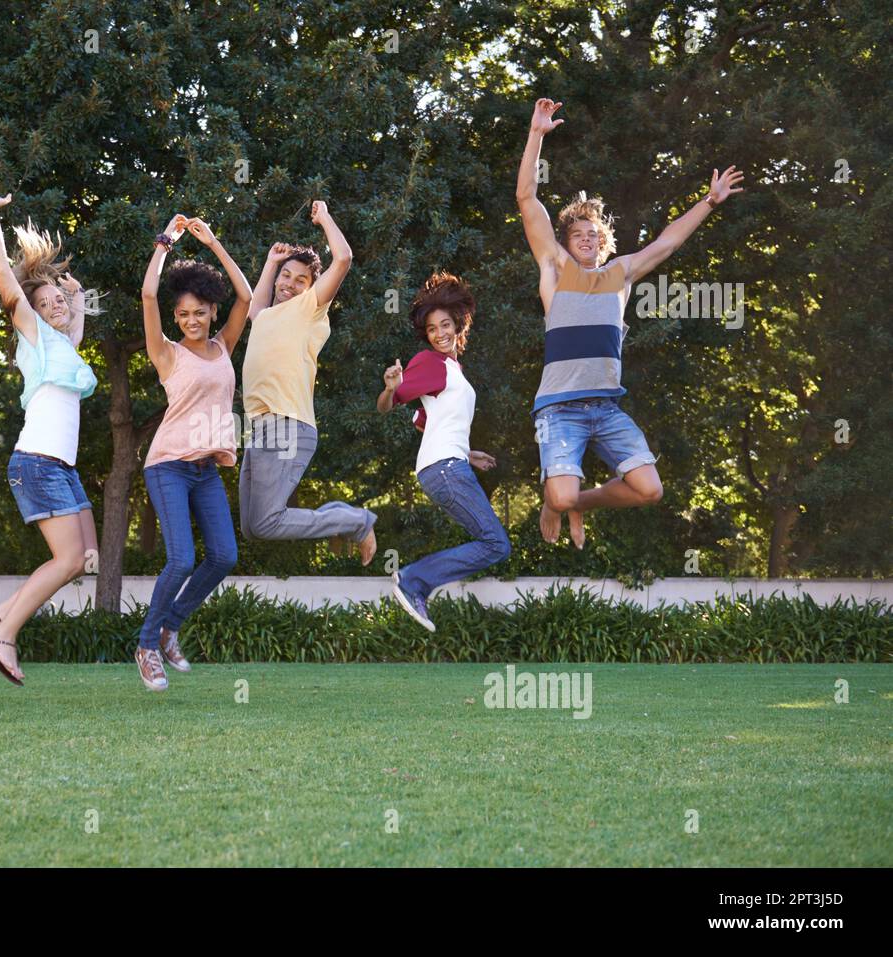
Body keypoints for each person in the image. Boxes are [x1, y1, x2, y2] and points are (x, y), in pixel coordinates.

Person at [517, 97, 744, 548]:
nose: (585, 239)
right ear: (565, 242)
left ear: (603, 244)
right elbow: (527, 197)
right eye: (577, 234)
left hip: (606, 407)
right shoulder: (555, 267)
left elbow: (667, 242)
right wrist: (537, 135)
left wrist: (708, 203)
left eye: (593, 235)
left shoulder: (620, 273)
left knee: (649, 489)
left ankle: (581, 501)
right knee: (556, 497)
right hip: (559, 409)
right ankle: (561, 501)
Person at [0, 180, 100, 685]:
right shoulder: (33, 337)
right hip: (38, 462)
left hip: (61, 468)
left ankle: (4, 610)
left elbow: (73, 331)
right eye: (43, 301)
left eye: (57, 301)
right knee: (68, 558)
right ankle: (3, 634)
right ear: (31, 309)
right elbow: (4, 272)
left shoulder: (63, 346)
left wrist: (75, 299)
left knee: (86, 558)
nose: (54, 306)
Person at [134, 214, 253, 690]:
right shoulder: (167, 353)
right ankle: (146, 646)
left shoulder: (224, 345)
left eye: (198, 312)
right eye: (182, 314)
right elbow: (147, 295)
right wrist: (166, 241)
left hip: (205, 469)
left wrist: (213, 241)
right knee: (181, 559)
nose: (190, 320)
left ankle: (169, 627)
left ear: (210, 311)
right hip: (168, 466)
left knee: (223, 556)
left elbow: (245, 296)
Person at [239, 201, 377, 563]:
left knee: (267, 522)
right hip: (260, 428)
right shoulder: (267, 315)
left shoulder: (310, 309)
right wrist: (271, 264)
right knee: (252, 528)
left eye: (301, 280)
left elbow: (343, 259)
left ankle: (355, 520)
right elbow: (253, 310)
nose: (290, 284)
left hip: (288, 424)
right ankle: (340, 517)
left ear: (312, 288)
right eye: (287, 276)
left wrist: (325, 217)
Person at [376, 273, 510, 632]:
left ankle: (416, 581)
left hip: (448, 464)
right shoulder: (430, 362)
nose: (439, 333)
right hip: (444, 469)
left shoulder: (453, 370)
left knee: (494, 543)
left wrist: (469, 453)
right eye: (433, 328)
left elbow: (427, 422)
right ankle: (415, 580)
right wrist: (390, 388)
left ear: (458, 325)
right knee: (495, 543)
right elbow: (387, 406)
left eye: (445, 325)